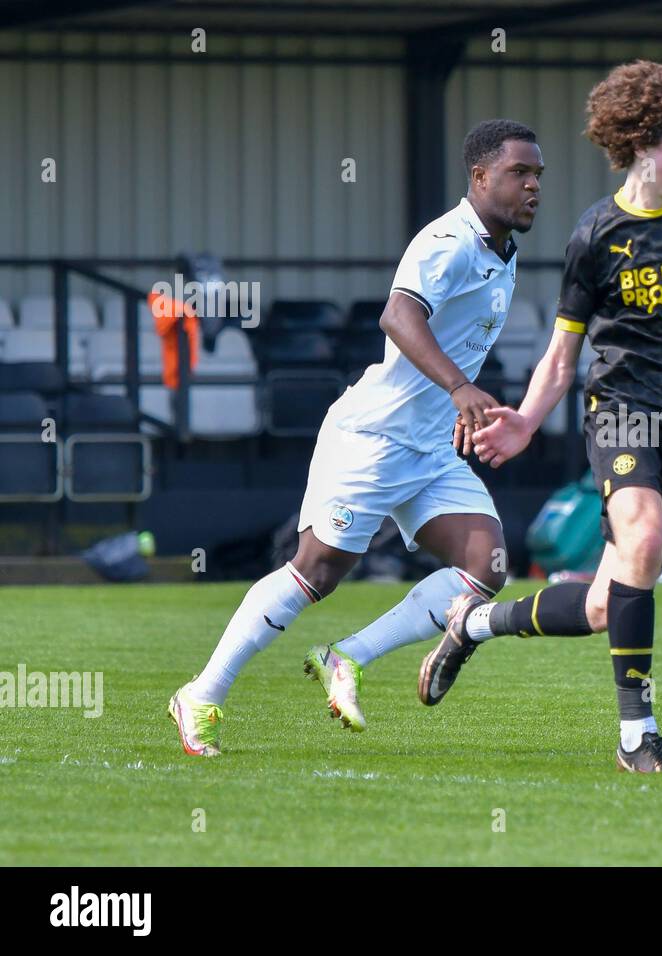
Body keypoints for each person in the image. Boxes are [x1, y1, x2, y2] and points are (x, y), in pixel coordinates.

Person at [417, 60, 662, 775]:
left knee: (606, 607)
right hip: (620, 413)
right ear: (644, 144)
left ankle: (473, 623)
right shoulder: (596, 235)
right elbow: (561, 354)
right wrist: (521, 420)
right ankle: (637, 737)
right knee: (641, 536)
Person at [166, 120, 544, 755]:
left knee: (487, 565)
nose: (533, 186)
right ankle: (201, 694)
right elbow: (398, 314)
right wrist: (458, 389)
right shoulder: (447, 240)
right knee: (317, 572)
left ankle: (346, 657)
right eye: (519, 174)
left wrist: (452, 403)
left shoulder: (504, 252)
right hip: (374, 437)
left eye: (538, 175)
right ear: (479, 177)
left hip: (428, 446)